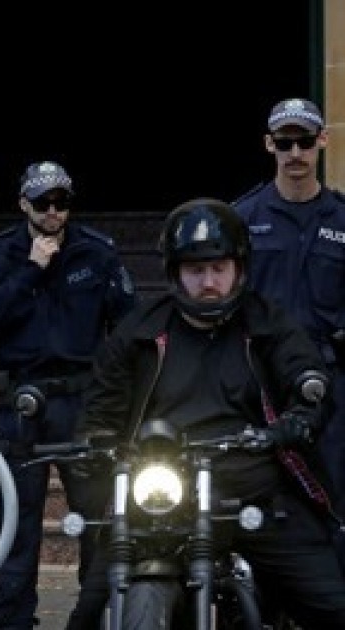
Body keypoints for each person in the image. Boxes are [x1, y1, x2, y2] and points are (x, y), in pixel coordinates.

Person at [64, 199, 345, 629]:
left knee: (333, 604)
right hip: (159, 495)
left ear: (239, 269)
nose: (208, 282)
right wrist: (96, 438)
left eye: (218, 268)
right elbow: (103, 404)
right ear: (176, 273)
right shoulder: (140, 332)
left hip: (255, 489)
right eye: (195, 271)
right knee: (87, 613)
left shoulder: (267, 323)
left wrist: (301, 412)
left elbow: (305, 376)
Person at [0, 160, 137, 630]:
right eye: (43, 202)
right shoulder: (1, 253)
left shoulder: (96, 252)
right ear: (24, 203)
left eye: (61, 201)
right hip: (22, 402)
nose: (53, 211)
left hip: (82, 401)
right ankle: (14, 618)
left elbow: (127, 322)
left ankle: (97, 611)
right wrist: (30, 269)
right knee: (18, 521)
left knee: (97, 515)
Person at [233, 97, 345, 541]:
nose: (295, 153)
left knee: (335, 498)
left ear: (322, 140)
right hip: (259, 378)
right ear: (269, 145)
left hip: (332, 381)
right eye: (285, 142)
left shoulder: (342, 218)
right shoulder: (242, 218)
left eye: (304, 141)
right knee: (256, 497)